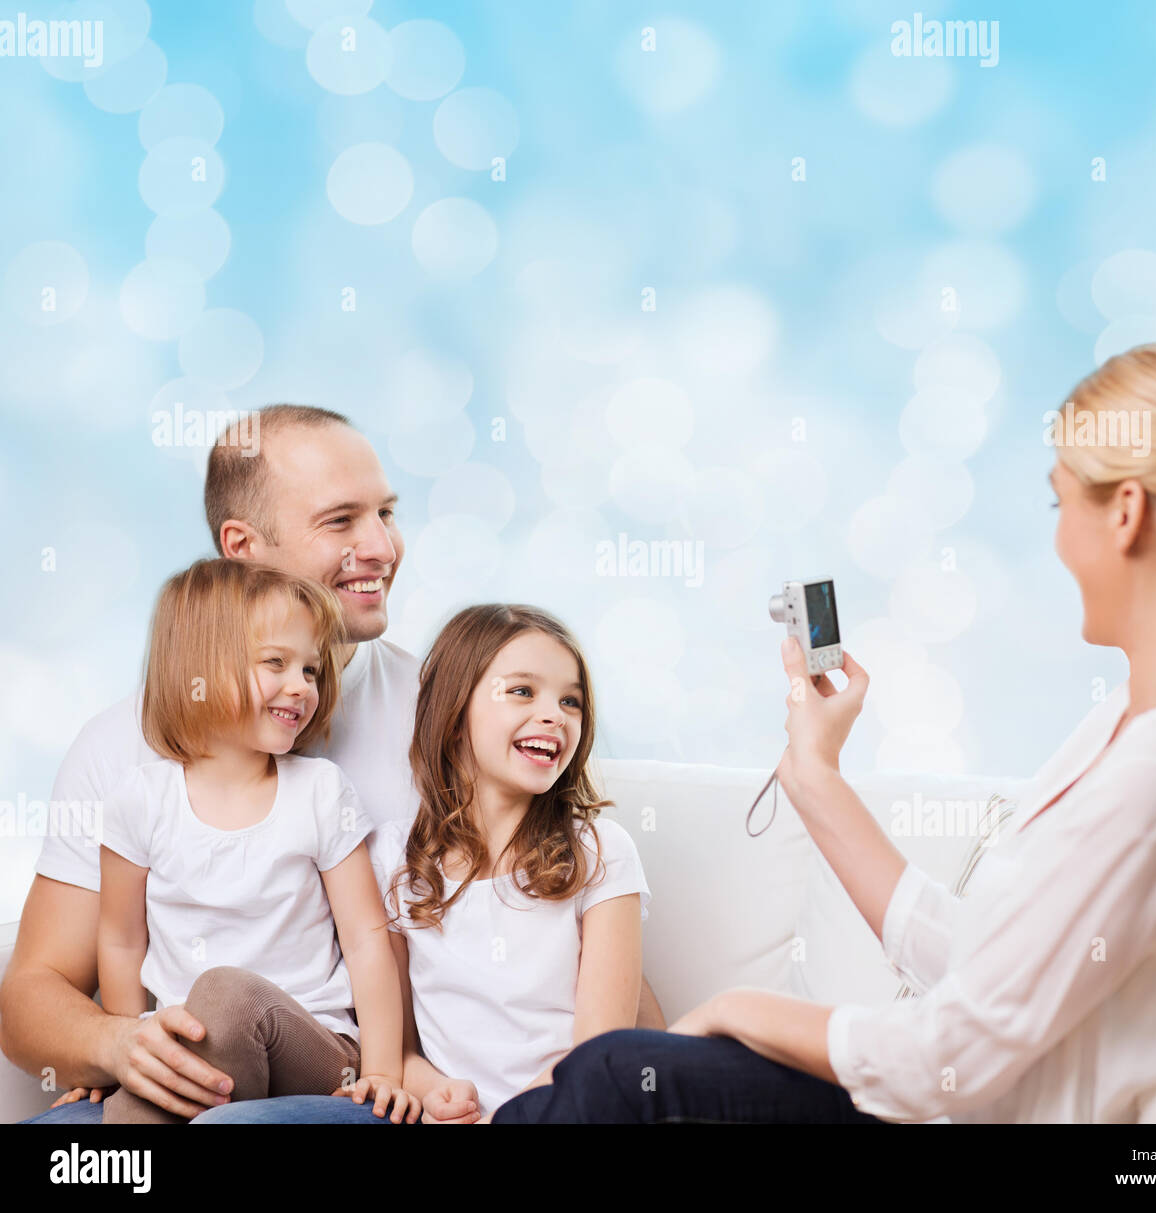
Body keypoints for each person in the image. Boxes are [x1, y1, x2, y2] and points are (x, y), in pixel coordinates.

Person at [492, 342, 1156, 1124]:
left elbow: (944, 1056)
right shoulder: (1148, 727)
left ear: (1126, 512)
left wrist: (737, 1009)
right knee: (614, 1073)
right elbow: (991, 969)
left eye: (1061, 503)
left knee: (617, 1073)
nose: (1057, 540)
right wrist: (816, 775)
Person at [4, 405, 663, 1125]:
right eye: (341, 520)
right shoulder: (123, 750)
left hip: (355, 1085)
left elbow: (576, 928)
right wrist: (118, 1042)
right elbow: (32, 995)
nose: (382, 544)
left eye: (386, 512)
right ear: (242, 547)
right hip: (190, 1070)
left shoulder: (451, 719)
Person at [94, 559, 418, 1124]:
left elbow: (367, 941)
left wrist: (384, 1072)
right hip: (196, 1051)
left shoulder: (319, 792)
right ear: (199, 666)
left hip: (317, 1049)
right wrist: (126, 1056)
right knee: (191, 1031)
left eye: (312, 671)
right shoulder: (140, 799)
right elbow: (121, 942)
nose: (302, 687)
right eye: (277, 663)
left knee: (225, 991)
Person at [368, 605, 649, 1122]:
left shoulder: (600, 853)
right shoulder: (394, 859)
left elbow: (598, 1055)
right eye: (522, 691)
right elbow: (397, 1051)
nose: (554, 715)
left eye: (571, 701)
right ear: (453, 715)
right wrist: (436, 1092)